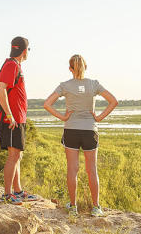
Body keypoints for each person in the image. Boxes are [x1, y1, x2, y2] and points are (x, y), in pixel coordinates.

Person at [42, 54, 118, 216]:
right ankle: (96, 207)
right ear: (86, 67)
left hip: (71, 130)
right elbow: (114, 101)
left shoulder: (65, 86)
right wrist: (99, 118)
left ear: (70, 69)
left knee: (72, 169)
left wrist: (63, 117)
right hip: (90, 130)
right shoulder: (94, 84)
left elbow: (47, 104)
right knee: (92, 169)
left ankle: (73, 207)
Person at [0, 36, 40, 205]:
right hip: (12, 119)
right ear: (24, 50)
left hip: (17, 118)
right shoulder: (11, 65)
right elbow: (0, 88)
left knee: (17, 155)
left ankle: (18, 191)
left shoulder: (15, 65)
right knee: (13, 156)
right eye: (28, 50)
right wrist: (9, 115)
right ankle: (7, 195)